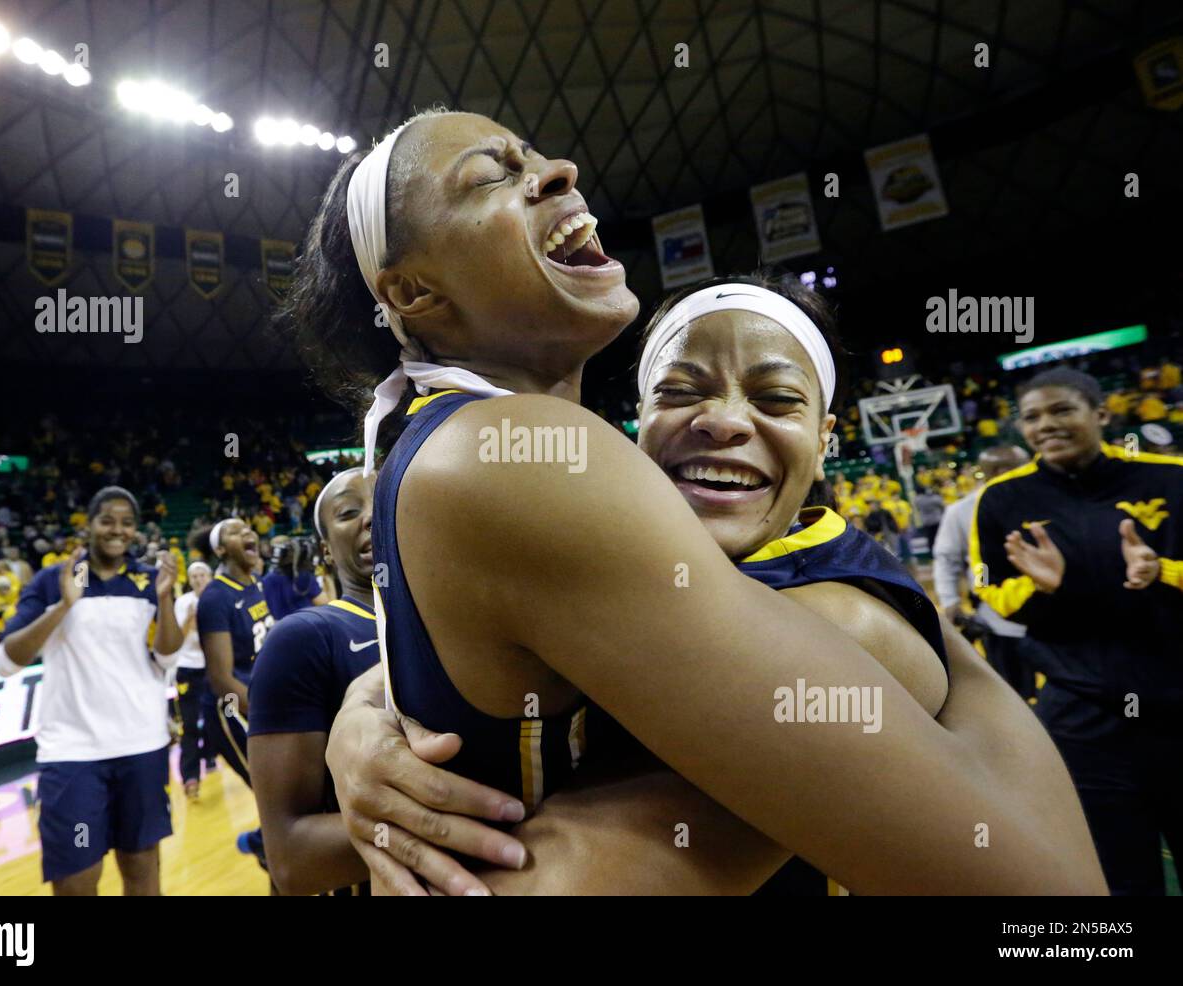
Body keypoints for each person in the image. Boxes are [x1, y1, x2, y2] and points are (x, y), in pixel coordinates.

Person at [283, 111, 1104, 896]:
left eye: (777, 400)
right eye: (493, 175)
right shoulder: (510, 455)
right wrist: (906, 647)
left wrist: (368, 708)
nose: (557, 170)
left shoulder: (481, 453)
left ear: (826, 440)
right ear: (416, 292)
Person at [971, 367, 1183, 895]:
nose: (1046, 425)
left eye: (1062, 410)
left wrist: (1164, 573)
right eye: (1032, 417)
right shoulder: (1001, 500)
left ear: (1102, 414)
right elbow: (990, 588)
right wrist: (1044, 589)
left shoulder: (1171, 478)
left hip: (1177, 704)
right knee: (1118, 875)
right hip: (1080, 718)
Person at [0, 486, 182, 895]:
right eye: (107, 520)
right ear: (89, 525)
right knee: (76, 879)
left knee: (141, 868)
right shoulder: (52, 580)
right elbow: (6, 662)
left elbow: (166, 658)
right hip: (73, 753)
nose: (118, 530)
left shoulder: (149, 580)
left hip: (141, 747)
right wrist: (63, 606)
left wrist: (165, 600)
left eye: (127, 523)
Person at [248, 470, 379, 895]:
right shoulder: (303, 639)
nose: (372, 517)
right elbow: (292, 859)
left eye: (387, 497)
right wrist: (463, 826)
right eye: (348, 512)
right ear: (325, 549)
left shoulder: (461, 622)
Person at [193, 518, 273, 867]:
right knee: (274, 796)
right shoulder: (215, 597)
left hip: (261, 701)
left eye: (248, 529)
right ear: (221, 549)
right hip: (232, 711)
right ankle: (268, 852)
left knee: (291, 796)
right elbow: (222, 678)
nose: (247, 533)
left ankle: (262, 843)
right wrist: (276, 713)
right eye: (235, 532)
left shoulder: (256, 583)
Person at [933, 445, 1033, 698]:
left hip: (1057, 616)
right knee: (1014, 694)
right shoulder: (962, 510)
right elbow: (946, 559)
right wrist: (951, 601)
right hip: (998, 619)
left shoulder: (1048, 499)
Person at [172, 561, 217, 800]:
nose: (199, 579)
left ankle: (210, 755)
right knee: (188, 725)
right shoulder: (183, 602)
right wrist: (190, 618)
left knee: (215, 718)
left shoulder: (217, 599)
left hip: (213, 667)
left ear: (209, 577)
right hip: (188, 668)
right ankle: (190, 777)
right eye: (194, 576)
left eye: (202, 574)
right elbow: (180, 637)